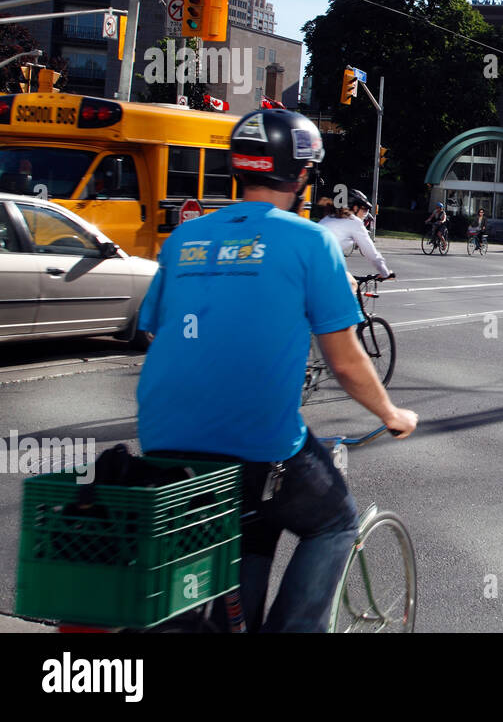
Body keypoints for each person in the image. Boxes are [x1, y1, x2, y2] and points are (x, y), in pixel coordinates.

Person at [136, 108, 417, 633]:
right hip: (259, 439)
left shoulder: (184, 240)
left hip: (163, 439)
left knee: (248, 524)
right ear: (302, 174)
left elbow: (154, 330)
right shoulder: (308, 241)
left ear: (237, 167)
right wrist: (391, 412)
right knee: (333, 521)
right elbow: (346, 359)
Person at [318, 188, 392, 281]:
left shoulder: (329, 217)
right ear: (355, 208)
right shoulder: (354, 221)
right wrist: (385, 273)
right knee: (350, 286)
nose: (366, 213)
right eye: (364, 209)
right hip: (320, 267)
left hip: (308, 263)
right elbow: (371, 253)